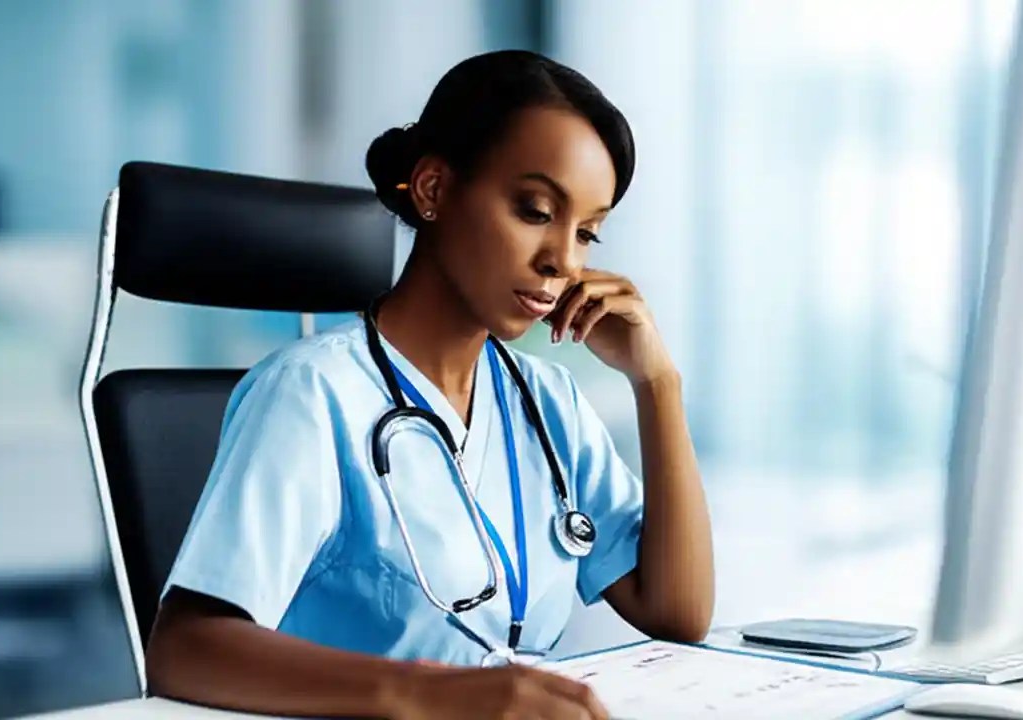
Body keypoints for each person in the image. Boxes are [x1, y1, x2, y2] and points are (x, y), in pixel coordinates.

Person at [144, 49, 714, 720]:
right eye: (535, 210)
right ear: (435, 190)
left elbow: (678, 611)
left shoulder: (548, 403)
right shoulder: (312, 394)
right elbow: (184, 649)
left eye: (587, 232)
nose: (562, 259)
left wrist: (658, 381)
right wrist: (434, 695)